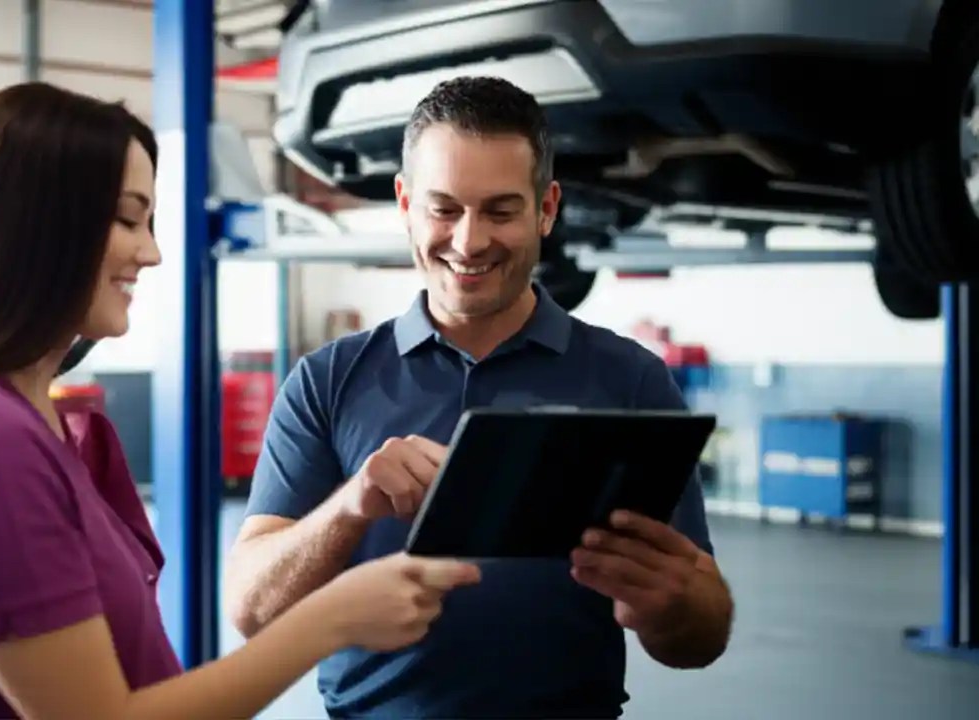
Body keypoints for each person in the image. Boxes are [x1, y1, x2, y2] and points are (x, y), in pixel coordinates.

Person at [0, 81, 482, 720]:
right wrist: (331, 618)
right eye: (127, 219)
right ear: (39, 223)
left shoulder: (39, 430)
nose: (150, 252)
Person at [224, 76, 735, 720]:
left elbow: (702, 635)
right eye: (444, 209)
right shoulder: (328, 381)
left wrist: (673, 606)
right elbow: (251, 611)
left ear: (546, 209)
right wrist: (348, 509)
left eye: (500, 210)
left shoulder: (630, 379)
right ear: (405, 202)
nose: (468, 242)